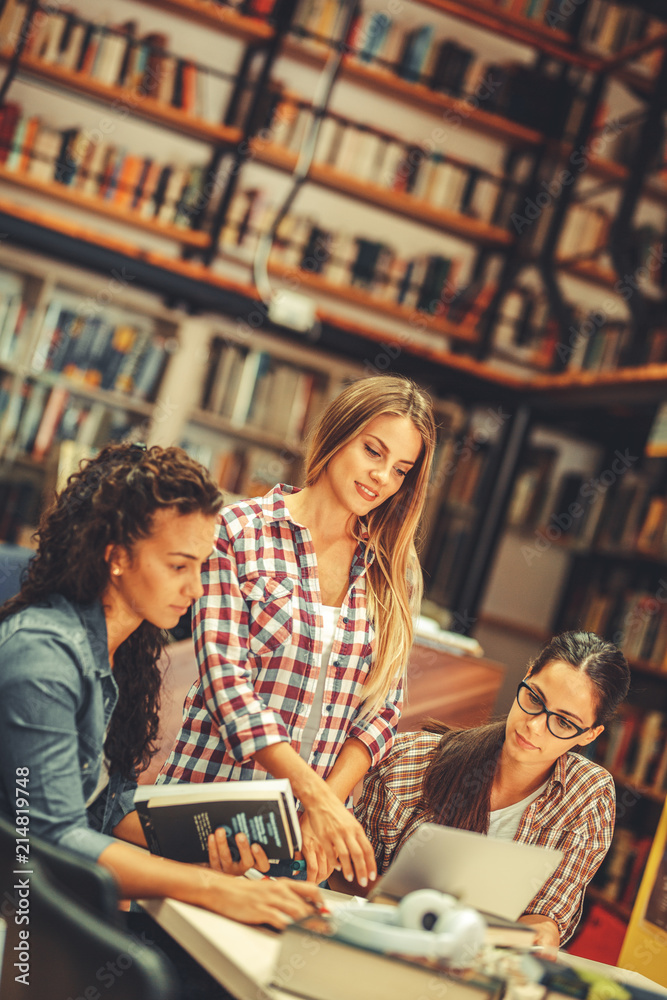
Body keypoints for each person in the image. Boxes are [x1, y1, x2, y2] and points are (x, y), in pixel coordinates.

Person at [0, 442, 320, 933]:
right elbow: (51, 837)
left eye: (200, 566)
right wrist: (217, 889)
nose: (195, 590)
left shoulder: (123, 650)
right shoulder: (43, 658)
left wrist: (209, 846)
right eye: (178, 566)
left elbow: (104, 804)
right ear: (117, 557)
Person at [160, 374, 437, 887]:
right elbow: (227, 688)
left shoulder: (398, 569)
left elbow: (382, 712)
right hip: (209, 809)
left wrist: (322, 809)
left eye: (400, 469)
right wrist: (314, 796)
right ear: (336, 433)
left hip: (308, 840)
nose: (381, 478)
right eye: (373, 451)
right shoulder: (237, 532)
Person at [352, 631, 631, 948]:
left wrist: (539, 936)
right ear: (526, 676)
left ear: (590, 735)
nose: (534, 725)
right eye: (535, 699)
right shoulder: (410, 761)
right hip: (382, 943)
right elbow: (345, 877)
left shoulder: (588, 795)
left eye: (564, 723)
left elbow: (546, 916)